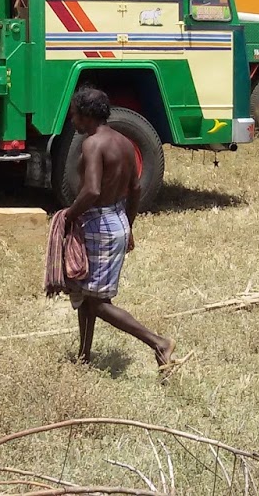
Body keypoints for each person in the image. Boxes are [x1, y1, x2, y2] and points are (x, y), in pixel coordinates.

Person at [61, 87, 175, 370]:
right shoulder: (124, 142)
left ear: (86, 115)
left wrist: (68, 216)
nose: (72, 120)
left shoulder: (92, 144)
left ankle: (159, 343)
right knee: (89, 296)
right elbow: (135, 189)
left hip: (99, 223)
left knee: (99, 302)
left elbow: (91, 190)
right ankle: (84, 357)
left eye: (74, 114)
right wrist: (129, 225)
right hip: (117, 221)